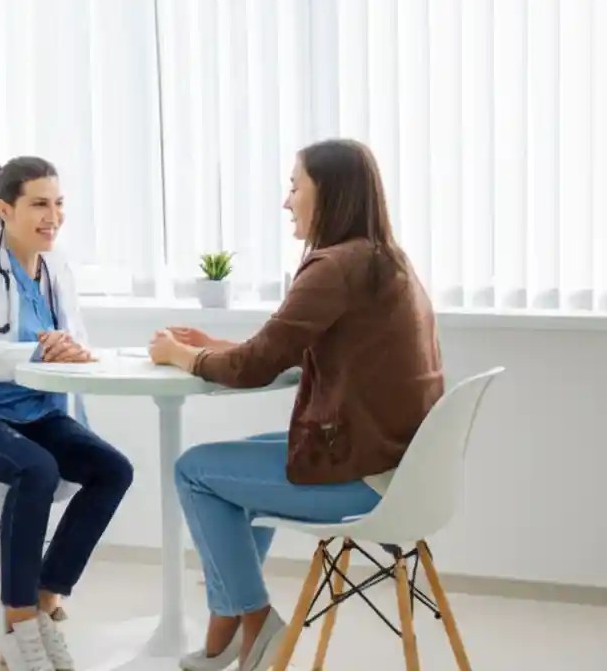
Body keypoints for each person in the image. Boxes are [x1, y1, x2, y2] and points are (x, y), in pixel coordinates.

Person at [148, 139, 444, 671]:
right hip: (399, 467)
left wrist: (181, 356)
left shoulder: (332, 267)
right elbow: (284, 349)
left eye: (294, 186)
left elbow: (254, 369)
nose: (287, 202)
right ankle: (228, 629)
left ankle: (252, 620)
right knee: (229, 466)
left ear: (326, 192)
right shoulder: (384, 261)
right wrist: (212, 347)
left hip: (364, 477)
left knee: (195, 471)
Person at [0, 156, 134, 671]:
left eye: (58, 204)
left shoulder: (57, 267)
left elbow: (72, 335)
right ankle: (16, 624)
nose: (52, 216)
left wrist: (74, 350)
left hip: (41, 411)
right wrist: (37, 352)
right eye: (39, 204)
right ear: (4, 209)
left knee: (113, 470)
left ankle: (44, 600)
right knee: (35, 469)